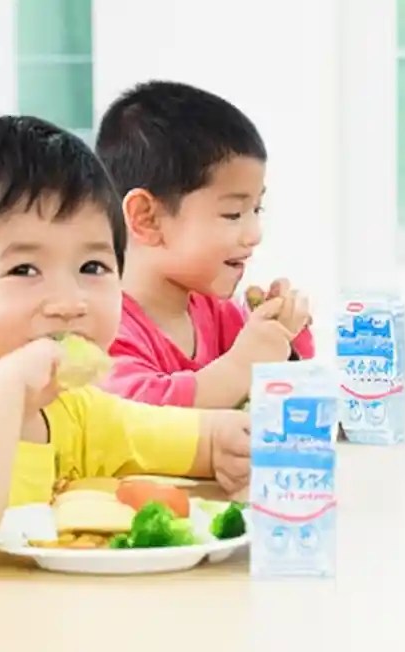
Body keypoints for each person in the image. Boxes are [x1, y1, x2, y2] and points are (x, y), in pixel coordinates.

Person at [0, 115, 252, 613]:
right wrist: (5, 391)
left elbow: (203, 439)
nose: (70, 301)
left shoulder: (76, 411)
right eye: (24, 269)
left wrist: (242, 446)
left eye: (92, 267)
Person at [95, 80, 314, 408]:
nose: (255, 233)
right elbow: (148, 422)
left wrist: (285, 335)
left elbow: (286, 398)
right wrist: (247, 362)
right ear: (146, 218)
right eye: (232, 213)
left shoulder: (220, 313)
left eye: (257, 209)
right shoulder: (104, 328)